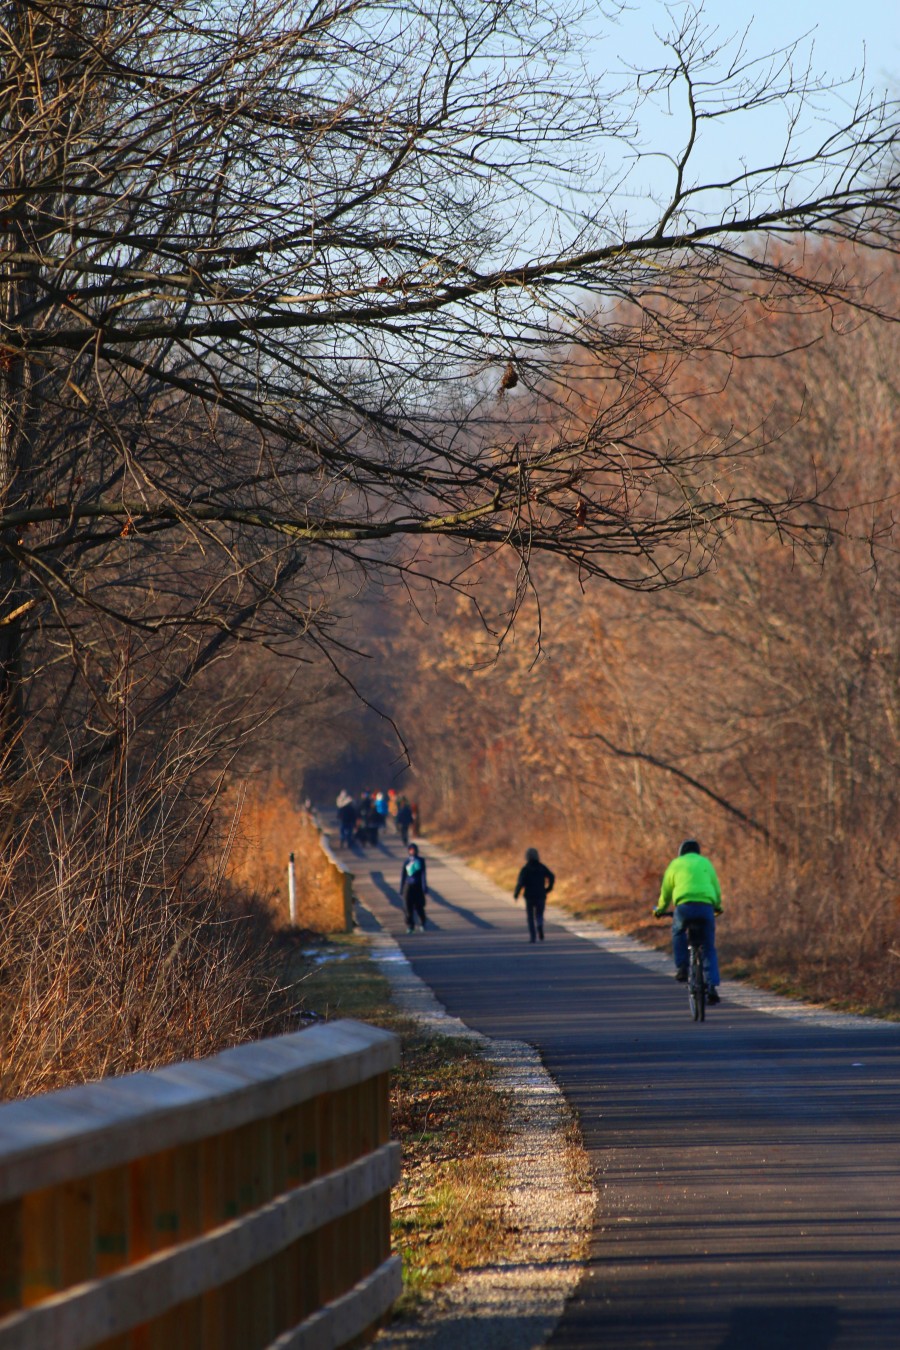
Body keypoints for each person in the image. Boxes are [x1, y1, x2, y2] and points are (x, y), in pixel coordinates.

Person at [654, 838, 723, 1004]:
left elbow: (666, 891)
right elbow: (716, 888)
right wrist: (718, 907)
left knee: (678, 931)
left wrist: (660, 910)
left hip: (684, 907)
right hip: (706, 907)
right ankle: (712, 985)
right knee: (708, 947)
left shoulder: (676, 864)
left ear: (681, 852)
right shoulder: (706, 863)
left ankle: (682, 967)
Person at [514, 848, 554, 942]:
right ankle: (539, 926)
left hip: (529, 896)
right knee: (539, 914)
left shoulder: (525, 869)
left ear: (527, 857)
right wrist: (548, 888)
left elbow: (520, 882)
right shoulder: (542, 867)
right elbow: (551, 876)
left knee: (530, 917)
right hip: (541, 895)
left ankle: (533, 936)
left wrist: (516, 893)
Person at [400, 843, 428, 933]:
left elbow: (423, 874)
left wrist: (424, 886)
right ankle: (410, 925)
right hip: (408, 886)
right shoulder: (406, 862)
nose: (412, 851)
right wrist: (401, 888)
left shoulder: (421, 860)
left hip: (418, 886)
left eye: (414, 849)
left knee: (419, 906)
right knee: (408, 907)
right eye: (411, 849)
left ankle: (422, 923)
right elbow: (403, 876)